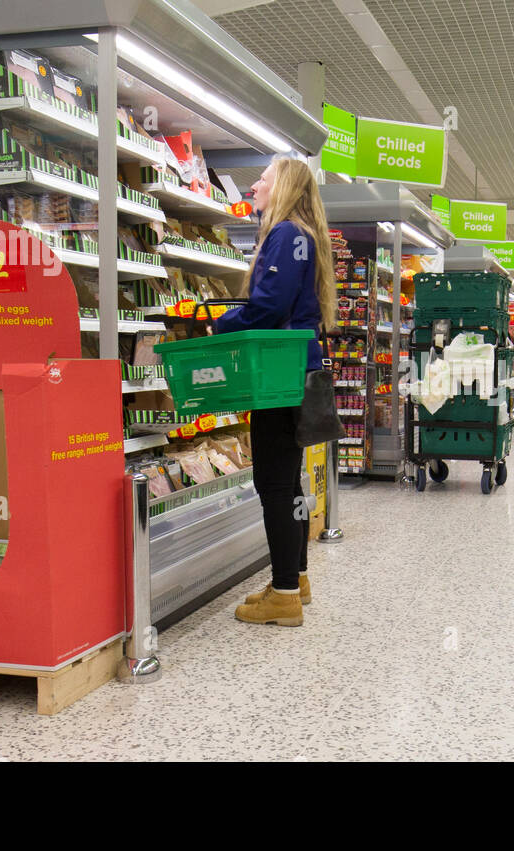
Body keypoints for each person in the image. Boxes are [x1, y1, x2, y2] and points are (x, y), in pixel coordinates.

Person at [214, 155, 336, 627]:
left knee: (274, 485)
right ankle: (296, 577)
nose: (254, 186)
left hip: (277, 375)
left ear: (282, 185)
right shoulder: (302, 235)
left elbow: (269, 305)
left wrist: (221, 323)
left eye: (262, 179)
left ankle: (284, 592)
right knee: (291, 483)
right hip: (293, 370)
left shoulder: (285, 234)